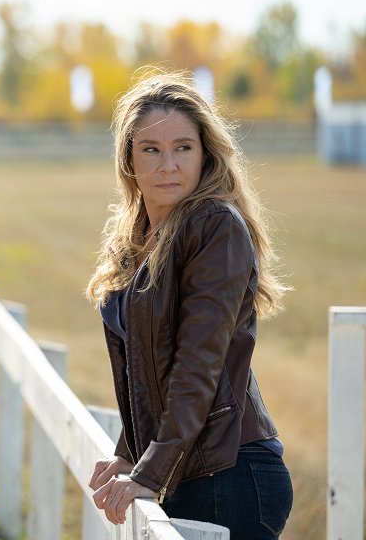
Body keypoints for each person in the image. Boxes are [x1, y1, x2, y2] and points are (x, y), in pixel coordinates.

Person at [85, 69, 293, 538]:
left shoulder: (213, 227)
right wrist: (129, 450)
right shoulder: (136, 240)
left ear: (204, 155)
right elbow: (145, 369)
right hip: (188, 469)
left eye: (183, 148)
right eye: (151, 150)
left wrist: (149, 471)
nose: (168, 165)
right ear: (128, 160)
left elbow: (198, 365)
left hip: (234, 474)